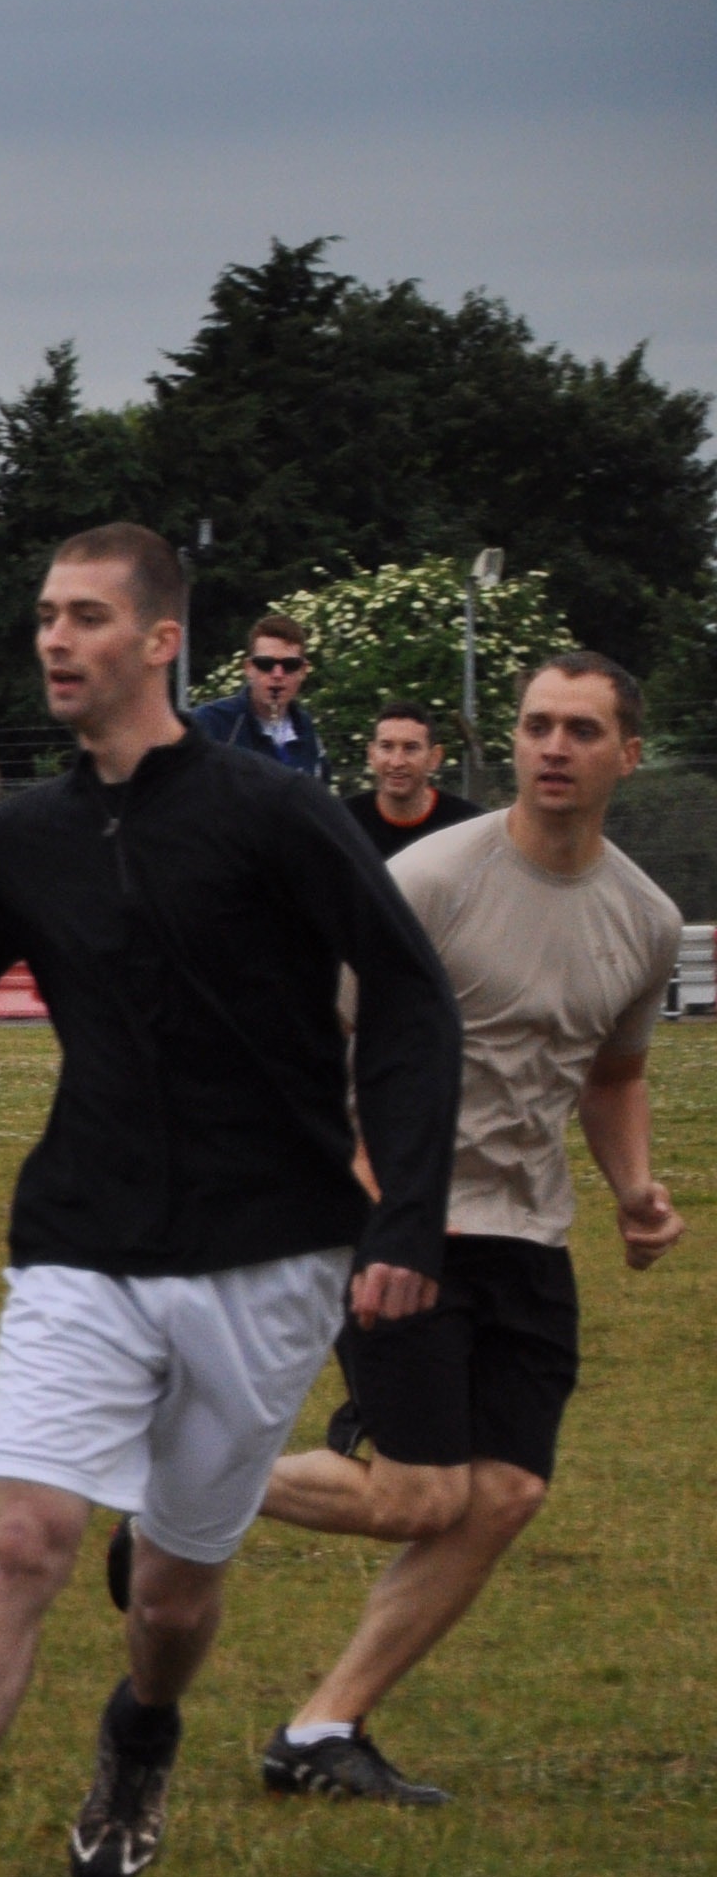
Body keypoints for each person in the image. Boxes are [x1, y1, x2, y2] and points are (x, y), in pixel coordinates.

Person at [0, 526, 458, 1877]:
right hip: (81, 1241)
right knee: (29, 1535)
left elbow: (411, 1000)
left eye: (88, 617)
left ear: (161, 640)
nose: (55, 640)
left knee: (168, 1588)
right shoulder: (25, 837)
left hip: (272, 1252)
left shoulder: (272, 814)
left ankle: (142, 1729)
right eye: (45, 614)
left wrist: (404, 1210)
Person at [250, 653, 682, 1803]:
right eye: (538, 725)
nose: (552, 747)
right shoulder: (433, 878)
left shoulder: (644, 918)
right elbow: (313, 1043)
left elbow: (613, 1072)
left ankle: (320, 1729)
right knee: (418, 1494)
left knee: (505, 1495)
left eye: (580, 730)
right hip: (404, 1215)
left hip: (527, 1233)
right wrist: (368, 1207)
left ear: (625, 755)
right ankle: (186, 1482)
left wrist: (635, 1190)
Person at [188, 612, 329, 785]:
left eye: (289, 665)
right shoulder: (210, 723)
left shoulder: (306, 729)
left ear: (303, 670)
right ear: (248, 668)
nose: (277, 674)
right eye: (266, 664)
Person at [356, 704, 486, 859]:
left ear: (434, 758)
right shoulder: (344, 824)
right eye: (387, 747)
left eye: (410, 748)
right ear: (371, 754)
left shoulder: (468, 826)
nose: (397, 762)